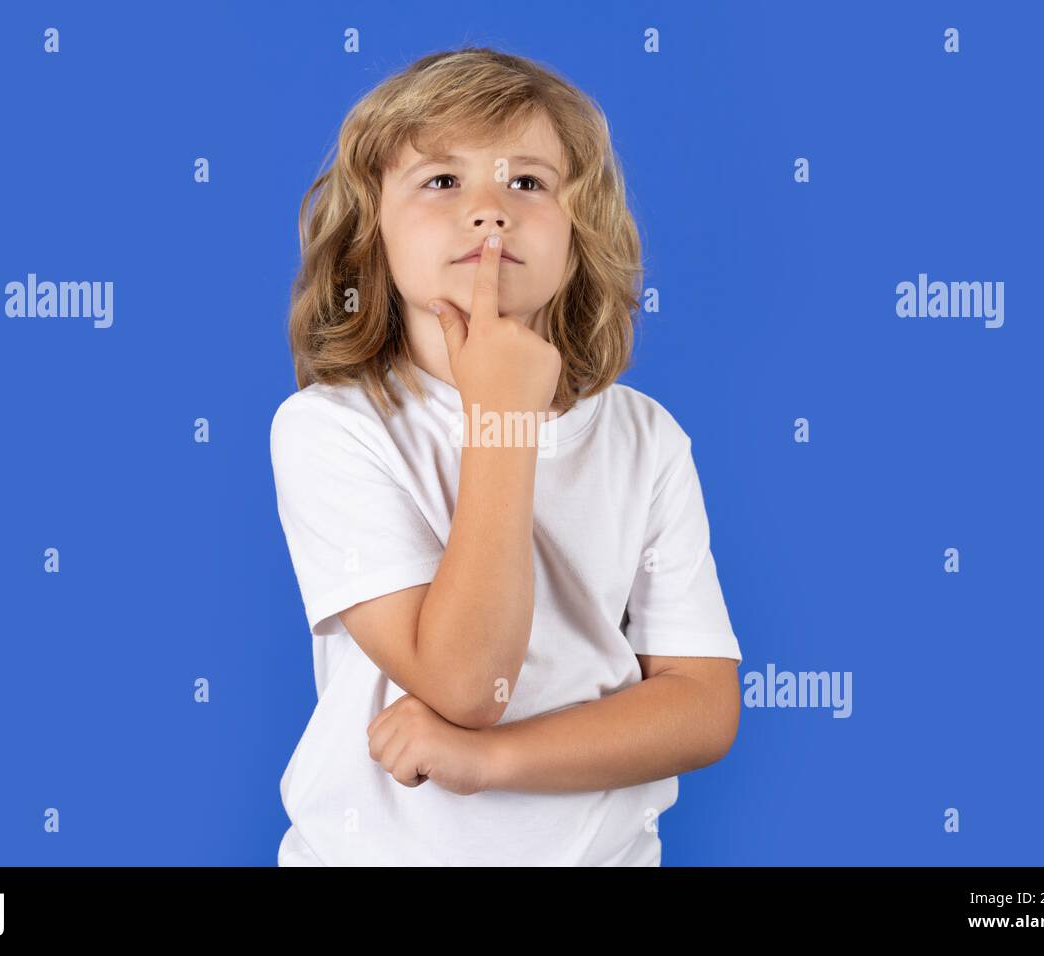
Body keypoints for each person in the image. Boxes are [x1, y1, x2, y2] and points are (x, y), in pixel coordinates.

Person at [270, 47, 743, 866]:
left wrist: (492, 764)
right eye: (442, 181)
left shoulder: (645, 437)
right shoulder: (328, 428)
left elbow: (702, 707)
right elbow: (464, 684)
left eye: (527, 182)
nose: (489, 212)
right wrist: (500, 420)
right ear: (371, 232)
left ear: (577, 235)